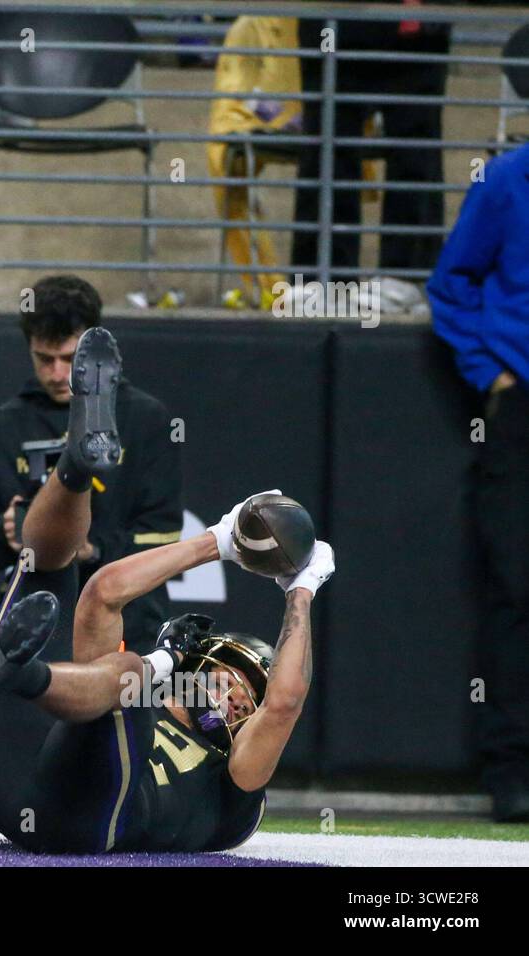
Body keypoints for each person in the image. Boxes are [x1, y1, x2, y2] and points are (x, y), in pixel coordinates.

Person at [0, 326, 335, 854]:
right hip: (6, 777)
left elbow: (287, 700)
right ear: (198, 667)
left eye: (245, 692)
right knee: (50, 568)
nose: (229, 691)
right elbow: (104, 592)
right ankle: (76, 467)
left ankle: (23, 671)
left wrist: (302, 587)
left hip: (88, 824)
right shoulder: (151, 697)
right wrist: (218, 541)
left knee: (132, 673)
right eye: (228, 673)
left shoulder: (236, 781)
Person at [0, 275, 182, 654]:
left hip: (128, 620)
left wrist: (93, 550)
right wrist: (8, 535)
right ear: (29, 348)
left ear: (95, 351)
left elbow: (164, 539)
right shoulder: (3, 426)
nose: (58, 374)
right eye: (45, 359)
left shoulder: (145, 418)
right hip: (32, 626)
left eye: (70, 359)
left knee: (121, 712)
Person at [428, 144, 529, 823]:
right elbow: (451, 284)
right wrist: (491, 373)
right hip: (522, 408)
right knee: (519, 590)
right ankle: (514, 770)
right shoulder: (507, 180)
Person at [291, 4, 451, 277]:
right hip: (331, 24)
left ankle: (406, 277)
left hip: (417, 25)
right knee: (326, 152)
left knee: (414, 154)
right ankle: (320, 276)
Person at [207, 15, 302, 309]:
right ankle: (272, 292)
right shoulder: (249, 28)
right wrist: (274, 114)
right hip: (264, 123)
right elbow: (236, 93)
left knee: (334, 160)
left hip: (336, 122)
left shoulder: (329, 30)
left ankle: (329, 287)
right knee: (224, 157)